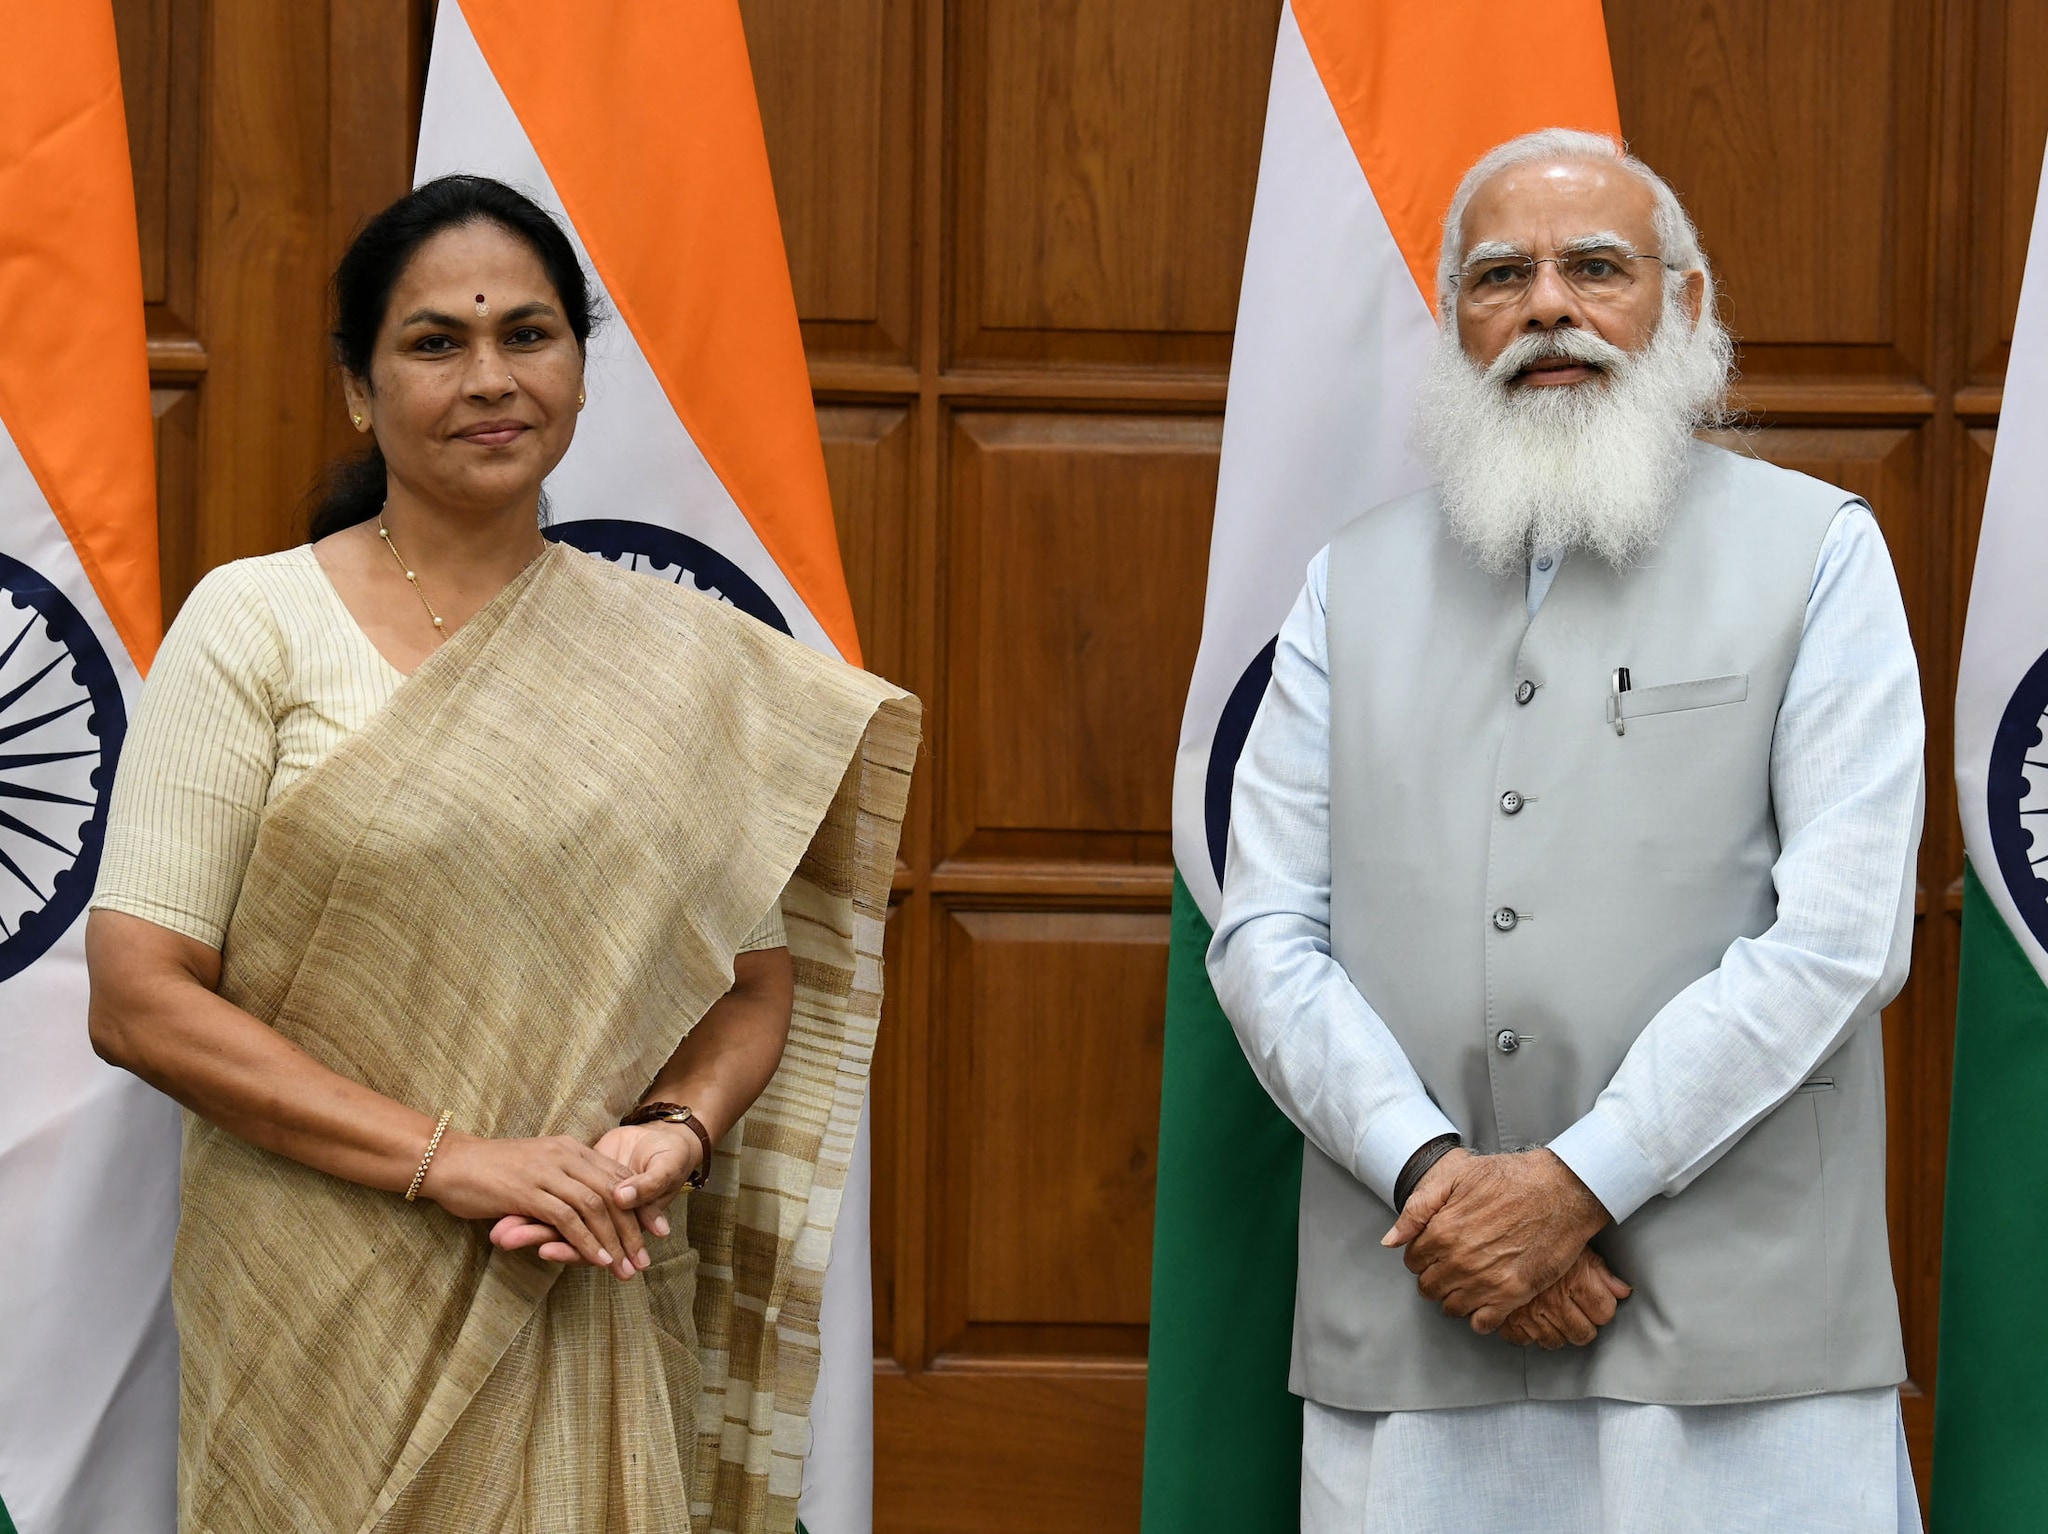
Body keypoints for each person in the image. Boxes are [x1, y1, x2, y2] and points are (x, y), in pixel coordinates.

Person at [85, 174, 918, 1534]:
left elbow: (752, 982)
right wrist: (455, 1159)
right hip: (314, 1301)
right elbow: (139, 995)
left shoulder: (673, 658)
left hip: (578, 1267)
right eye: (435, 342)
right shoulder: (256, 624)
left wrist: (673, 1133)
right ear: (358, 387)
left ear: (581, 368)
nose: (491, 376)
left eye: (529, 334)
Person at [1208, 129, 1925, 1532]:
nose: (1547, 305)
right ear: (1451, 322)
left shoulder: (1820, 551)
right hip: (1420, 1319)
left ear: (1689, 307)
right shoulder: (1346, 587)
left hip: (1740, 1351)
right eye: (1501, 275)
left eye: (1596, 267)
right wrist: (1440, 1185)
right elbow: (1266, 938)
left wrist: (1577, 1185)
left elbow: (1841, 936)